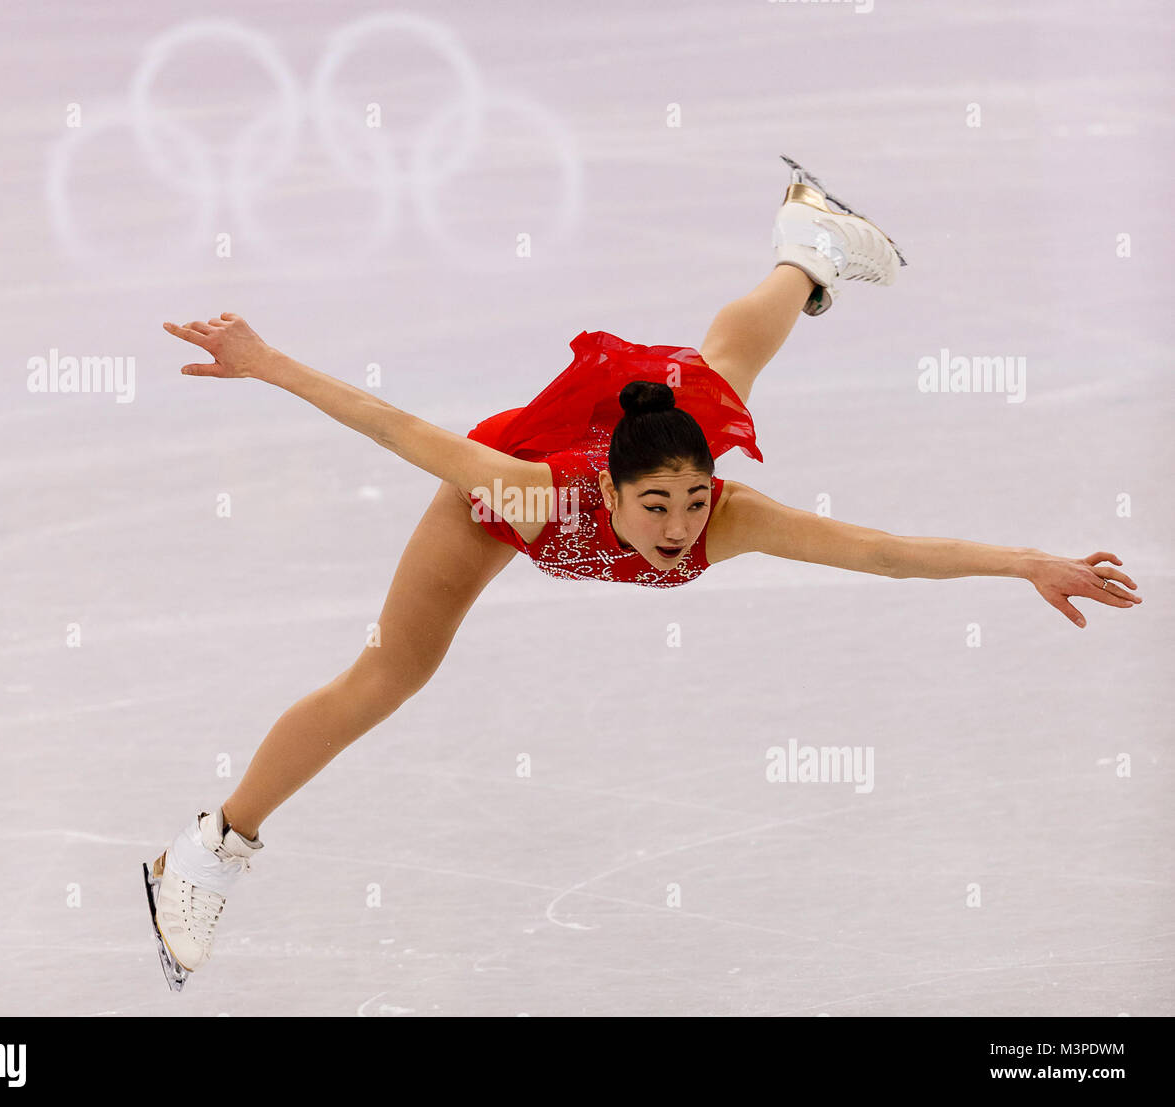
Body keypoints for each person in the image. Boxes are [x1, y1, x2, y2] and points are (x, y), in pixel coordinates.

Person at [142, 157, 1142, 990]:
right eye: (654, 507)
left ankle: (808, 246)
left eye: (690, 502)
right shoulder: (531, 491)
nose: (674, 530)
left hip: (668, 420)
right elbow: (399, 429)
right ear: (612, 497)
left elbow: (881, 553)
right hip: (496, 507)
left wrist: (1028, 564)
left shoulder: (725, 516)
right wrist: (266, 361)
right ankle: (207, 848)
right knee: (390, 673)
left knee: (718, 370)